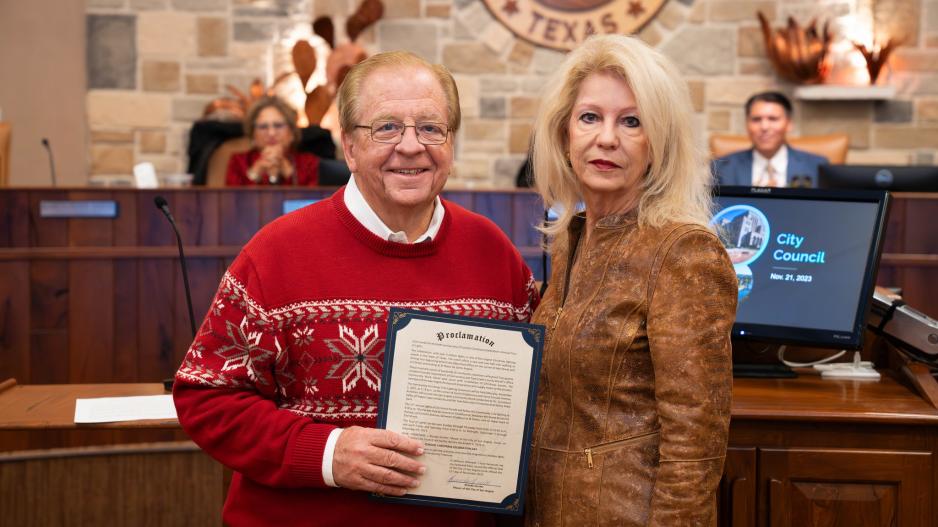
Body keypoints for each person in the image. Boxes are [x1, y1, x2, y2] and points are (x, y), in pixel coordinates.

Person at [174, 51, 539, 526]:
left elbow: (536, 397)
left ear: (451, 142)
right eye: (386, 127)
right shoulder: (277, 252)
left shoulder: (493, 253)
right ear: (348, 146)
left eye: (431, 128)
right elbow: (206, 397)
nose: (411, 146)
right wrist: (328, 453)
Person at [526, 35, 737, 526]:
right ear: (564, 134)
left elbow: (695, 446)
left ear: (658, 144)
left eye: (631, 121)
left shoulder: (684, 251)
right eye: (590, 117)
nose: (606, 138)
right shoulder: (573, 239)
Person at [713, 91, 828, 187]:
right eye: (756, 119)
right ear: (747, 124)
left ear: (789, 124)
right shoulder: (723, 168)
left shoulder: (816, 166)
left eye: (773, 119)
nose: (764, 127)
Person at [226, 96, 321, 186]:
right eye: (263, 127)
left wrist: (288, 171)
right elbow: (231, 196)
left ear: (292, 132)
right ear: (253, 134)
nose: (271, 133)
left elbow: (312, 196)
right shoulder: (238, 162)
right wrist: (255, 172)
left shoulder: (309, 163)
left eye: (278, 125)